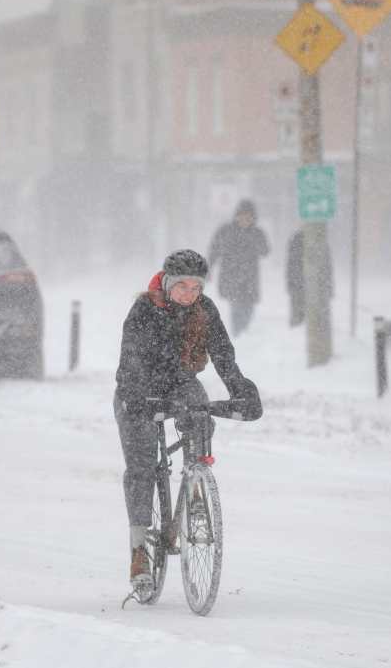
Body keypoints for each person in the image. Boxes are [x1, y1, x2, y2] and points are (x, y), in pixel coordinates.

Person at [114, 249, 262, 589]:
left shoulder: (205, 310)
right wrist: (136, 398)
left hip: (181, 383)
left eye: (197, 287)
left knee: (200, 413)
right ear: (167, 283)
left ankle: (195, 492)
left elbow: (224, 355)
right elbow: (130, 359)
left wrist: (240, 389)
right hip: (139, 390)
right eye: (183, 286)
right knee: (142, 466)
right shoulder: (144, 310)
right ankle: (139, 549)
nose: (190, 294)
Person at [207, 199, 270, 336]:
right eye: (242, 215)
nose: (245, 219)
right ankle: (239, 337)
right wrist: (209, 269)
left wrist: (254, 239)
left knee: (248, 310)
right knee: (236, 309)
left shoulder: (257, 233)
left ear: (254, 218)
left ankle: (243, 337)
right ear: (236, 215)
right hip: (231, 279)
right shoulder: (226, 231)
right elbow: (213, 251)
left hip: (250, 280)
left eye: (249, 216)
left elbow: (266, 251)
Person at [285, 228, 334, 327]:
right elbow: (291, 266)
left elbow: (327, 267)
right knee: (305, 319)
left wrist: (329, 286)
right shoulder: (298, 240)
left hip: (315, 287)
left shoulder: (320, 240)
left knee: (315, 320)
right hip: (301, 287)